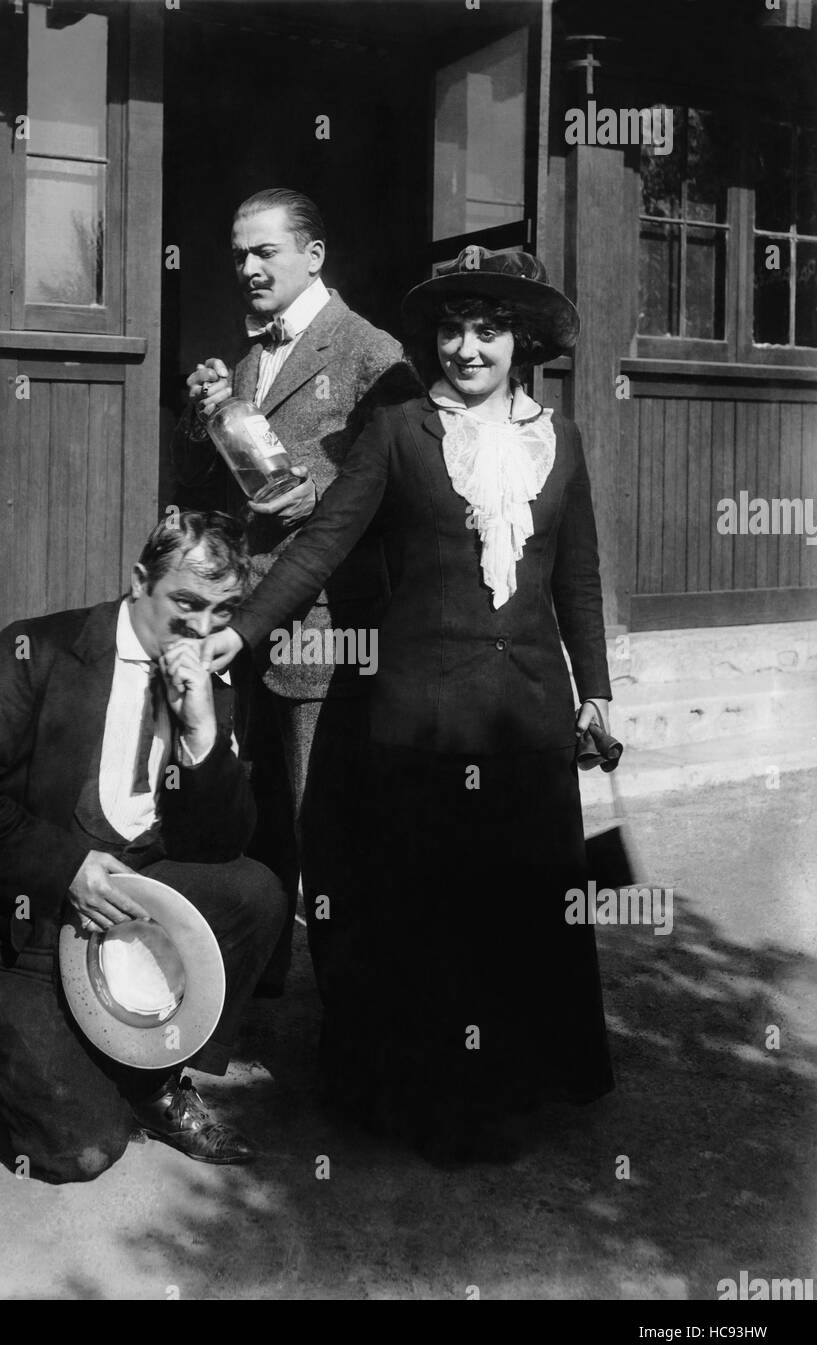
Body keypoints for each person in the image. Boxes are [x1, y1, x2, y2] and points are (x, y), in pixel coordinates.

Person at [201, 248, 615, 1163]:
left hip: (529, 714)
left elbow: (575, 580)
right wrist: (245, 629)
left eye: (489, 330)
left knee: (522, 903)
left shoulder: (564, 437)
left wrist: (596, 696)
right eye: (452, 330)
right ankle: (430, 1103)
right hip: (422, 716)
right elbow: (319, 544)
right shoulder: (399, 429)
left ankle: (522, 1081)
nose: (466, 349)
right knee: (433, 913)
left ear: (522, 341)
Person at [0, 512, 286, 1182]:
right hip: (1, 921)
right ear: (139, 581)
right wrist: (63, 867)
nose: (201, 631)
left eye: (223, 612)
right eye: (186, 604)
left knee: (254, 893)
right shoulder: (39, 651)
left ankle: (155, 1078)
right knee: (80, 1150)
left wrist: (200, 735)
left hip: (115, 899)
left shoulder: (212, 672)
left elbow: (222, 845)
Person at [171, 187, 418, 998]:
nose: (245, 268)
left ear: (313, 256)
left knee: (327, 830)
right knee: (262, 819)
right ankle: (262, 982)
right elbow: (226, 480)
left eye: (263, 251)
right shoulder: (248, 359)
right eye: (238, 254)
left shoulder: (370, 353)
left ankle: (352, 1026)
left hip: (325, 628)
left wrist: (324, 497)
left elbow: (410, 492)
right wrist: (205, 415)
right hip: (249, 620)